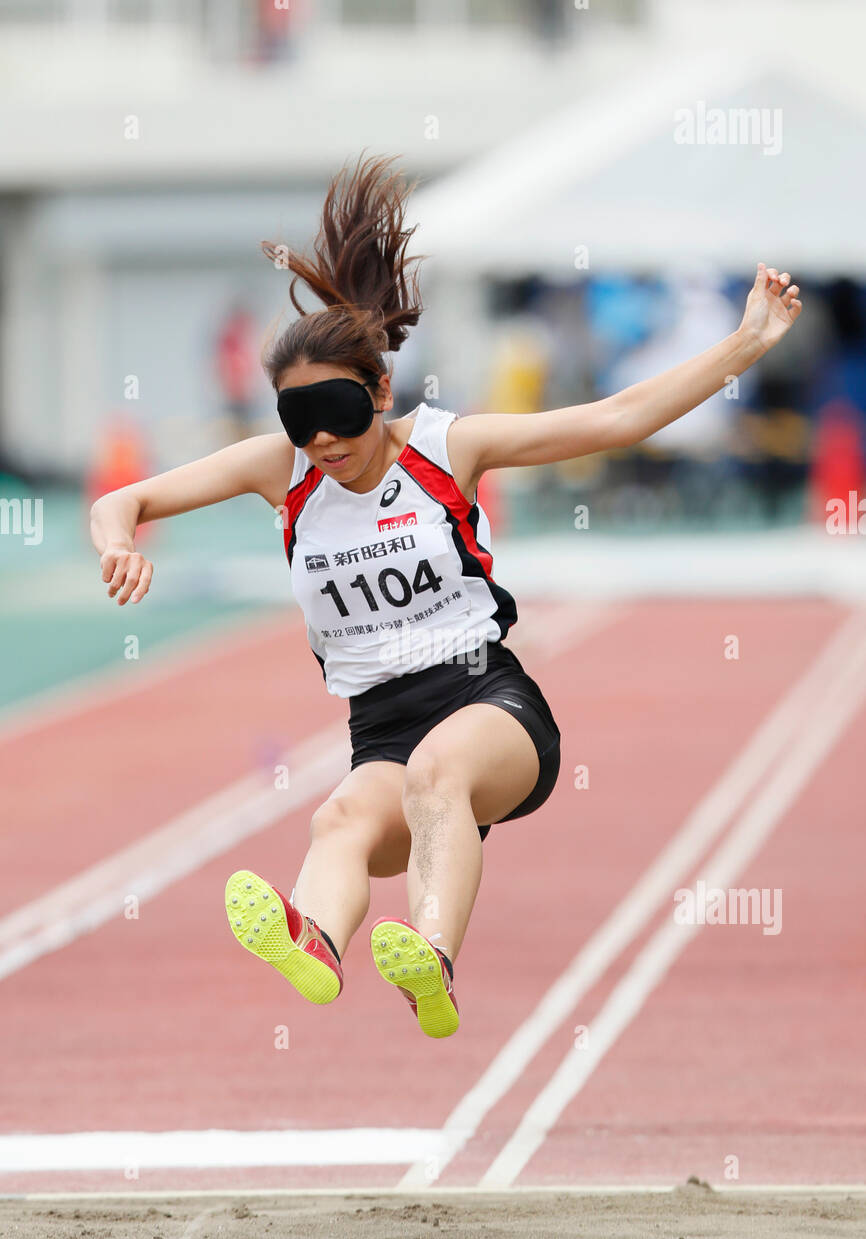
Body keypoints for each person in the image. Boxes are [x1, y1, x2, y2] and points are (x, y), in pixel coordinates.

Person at [89, 154, 803, 1039]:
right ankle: (314, 939)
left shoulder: (447, 447)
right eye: (297, 422)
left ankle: (432, 957)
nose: (321, 441)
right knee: (340, 815)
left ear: (382, 391)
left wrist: (748, 342)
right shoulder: (284, 473)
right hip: (377, 727)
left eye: (342, 414)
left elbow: (616, 419)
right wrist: (119, 542)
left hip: (487, 703)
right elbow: (121, 498)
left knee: (438, 776)